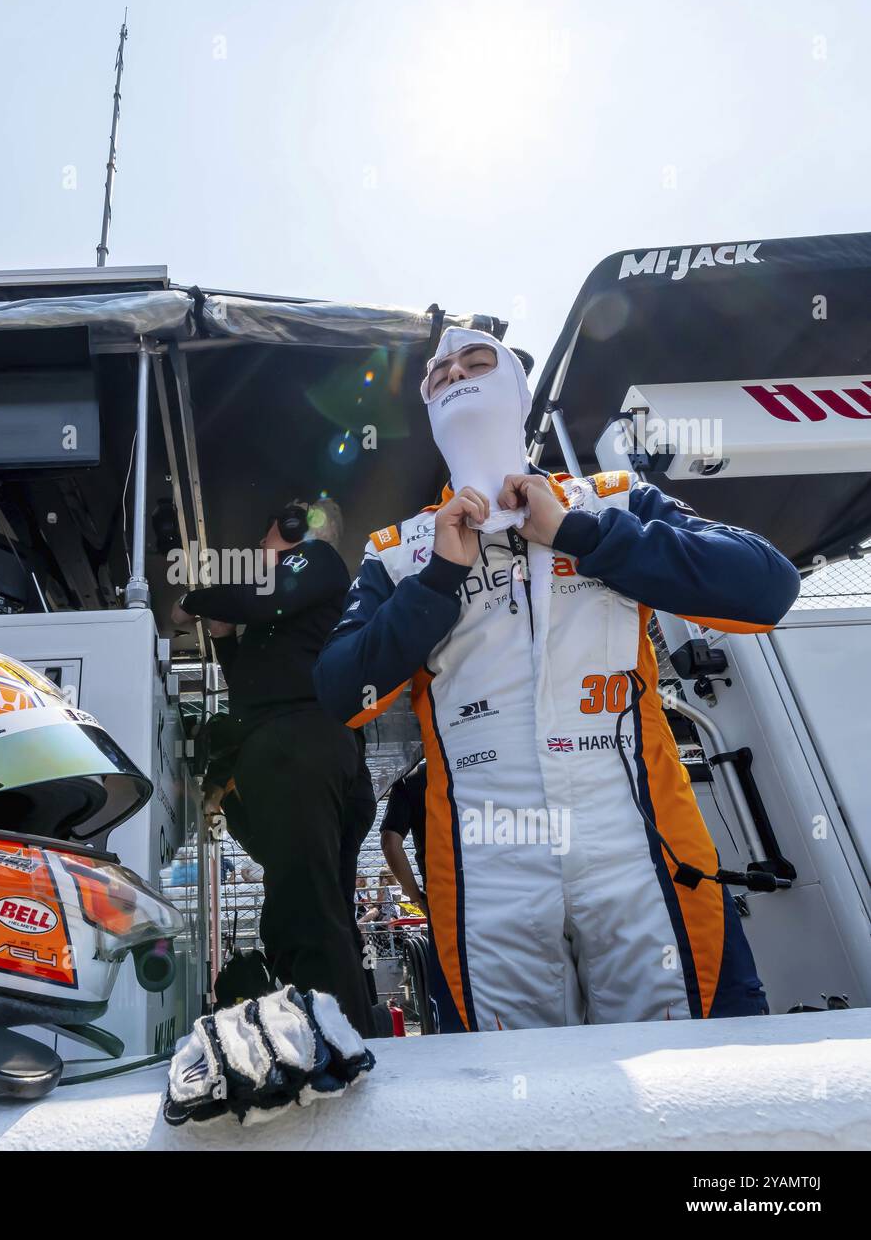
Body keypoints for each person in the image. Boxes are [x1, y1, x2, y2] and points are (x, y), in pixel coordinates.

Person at [314, 326, 801, 1033]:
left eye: (476, 363)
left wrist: (579, 534)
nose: (455, 373)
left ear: (516, 393)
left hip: (639, 856)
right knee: (506, 1090)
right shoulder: (399, 550)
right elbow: (340, 695)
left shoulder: (612, 499)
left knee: (689, 1074)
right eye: (439, 374)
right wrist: (438, 579)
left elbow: (766, 588)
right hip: (485, 874)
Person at [173, 499, 377, 1036]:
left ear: (295, 530)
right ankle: (345, 1036)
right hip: (296, 750)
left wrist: (192, 600)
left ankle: (330, 1042)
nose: (261, 547)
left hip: (303, 748)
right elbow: (250, 694)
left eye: (267, 537)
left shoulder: (316, 560)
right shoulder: (288, 614)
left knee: (304, 911)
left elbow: (266, 596)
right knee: (314, 907)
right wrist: (223, 640)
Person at [380, 760, 428, 917]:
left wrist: (417, 899)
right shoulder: (493, 773)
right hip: (494, 890)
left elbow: (389, 843)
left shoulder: (412, 778)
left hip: (444, 895)